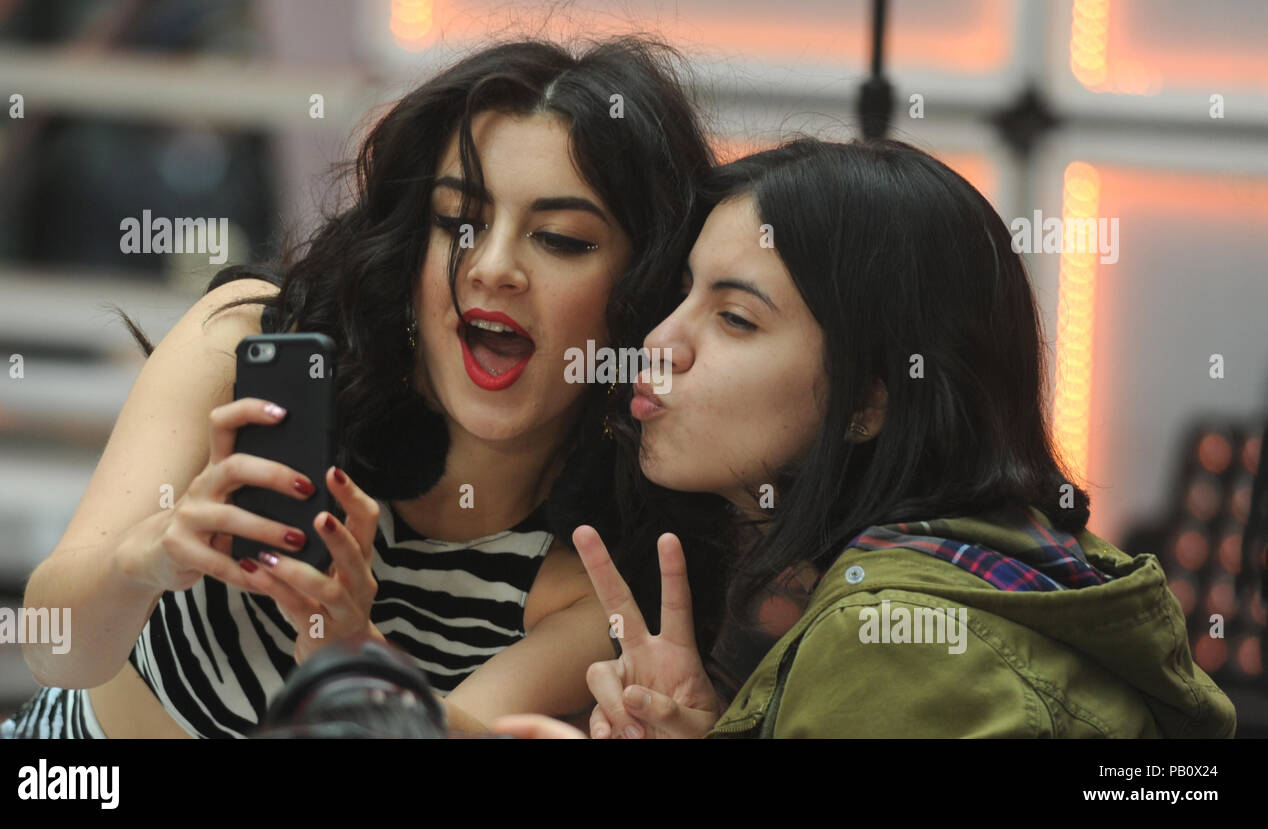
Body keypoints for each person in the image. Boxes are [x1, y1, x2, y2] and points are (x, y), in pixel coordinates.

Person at [0, 37, 717, 738]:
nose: (494, 267)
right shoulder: (247, 340)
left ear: (641, 292)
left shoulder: (587, 584)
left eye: (560, 238)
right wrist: (145, 559)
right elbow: (54, 649)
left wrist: (343, 644)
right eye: (458, 222)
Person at [493, 138, 1238, 738]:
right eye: (685, 291)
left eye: (735, 319)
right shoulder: (995, 566)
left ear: (869, 402)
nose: (659, 341)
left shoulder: (890, 644)